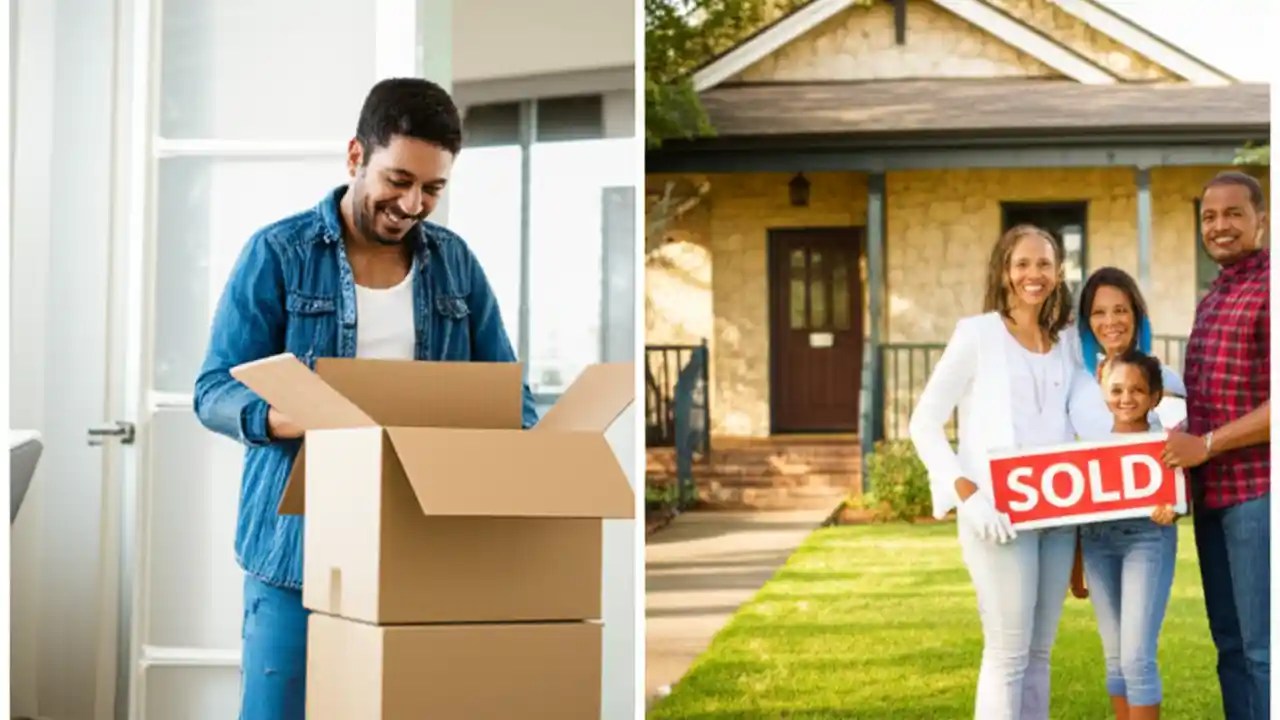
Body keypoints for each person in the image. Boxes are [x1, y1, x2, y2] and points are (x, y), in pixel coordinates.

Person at [193, 78, 538, 720]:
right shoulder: (279, 254)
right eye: (398, 179)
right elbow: (212, 390)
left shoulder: (456, 265)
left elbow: (510, 398)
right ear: (356, 156)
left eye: (433, 188)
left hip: (419, 543)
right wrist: (280, 416)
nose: (412, 204)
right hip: (294, 551)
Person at [909, 224, 1086, 720]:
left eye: (1044, 264)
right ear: (1005, 271)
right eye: (1023, 264)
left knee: (1038, 652)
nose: (1034, 274)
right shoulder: (978, 335)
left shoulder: (1066, 342)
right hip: (998, 513)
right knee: (1007, 653)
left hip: (1057, 512)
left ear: (1058, 272)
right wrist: (967, 494)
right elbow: (923, 421)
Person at [1162, 170, 1270, 720]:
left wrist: (1205, 443)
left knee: (1261, 651)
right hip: (1212, 499)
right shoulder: (1214, 296)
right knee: (1229, 647)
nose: (1220, 226)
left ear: (1261, 220)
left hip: (1258, 495)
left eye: (1233, 214)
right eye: (1209, 216)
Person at [1076, 349, 1179, 720]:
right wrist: (1075, 570)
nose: (1126, 398)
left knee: (1136, 656)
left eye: (1137, 390)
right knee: (1115, 658)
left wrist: (1174, 510)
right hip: (1097, 543)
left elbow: (1184, 498)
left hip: (1146, 541)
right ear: (1103, 390)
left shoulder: (1166, 444)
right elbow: (1075, 509)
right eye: (1117, 389)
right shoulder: (1088, 447)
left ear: (1154, 397)